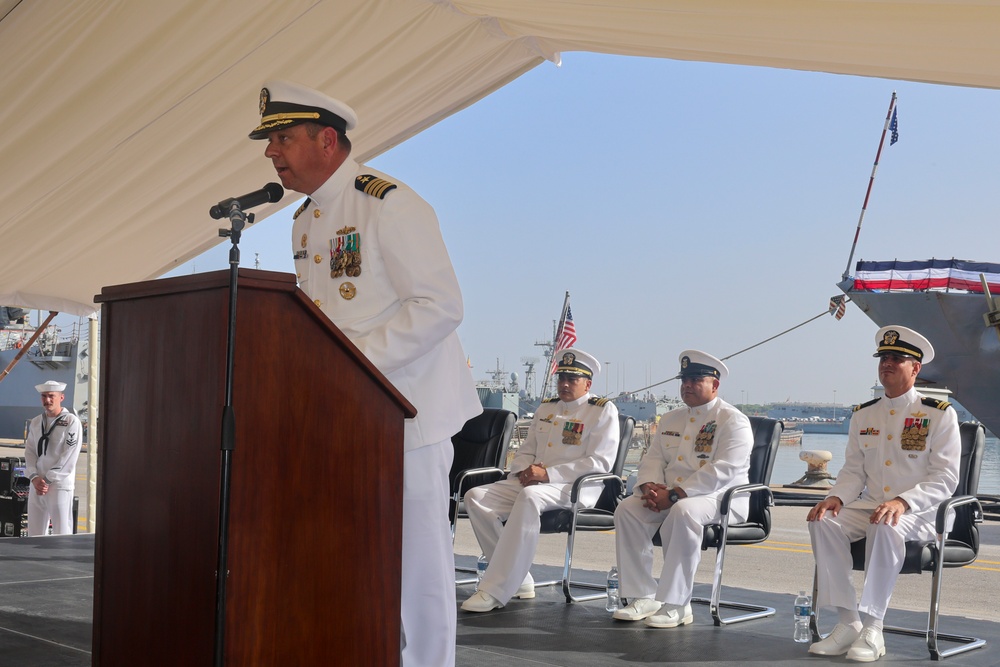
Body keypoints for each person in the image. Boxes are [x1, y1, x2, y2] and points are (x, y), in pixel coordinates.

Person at [249, 80, 482, 667]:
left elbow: (440, 305)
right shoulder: (303, 222)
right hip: (344, 416)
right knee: (356, 556)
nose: (271, 152)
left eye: (281, 138)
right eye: (269, 141)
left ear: (326, 140)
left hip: (409, 415)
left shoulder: (388, 202)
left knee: (418, 565)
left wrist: (351, 367)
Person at [806, 325, 960, 662]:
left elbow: (946, 478)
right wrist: (836, 497)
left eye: (897, 358)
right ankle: (848, 622)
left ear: (915, 368)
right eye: (883, 358)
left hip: (920, 511)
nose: (886, 363)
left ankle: (873, 629)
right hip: (870, 505)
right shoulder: (864, 415)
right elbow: (853, 472)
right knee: (823, 521)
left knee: (885, 524)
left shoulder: (938, 414)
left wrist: (903, 501)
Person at [460, 348, 619, 613]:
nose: (565, 384)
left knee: (530, 497)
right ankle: (519, 579)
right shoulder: (546, 408)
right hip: (533, 482)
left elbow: (599, 462)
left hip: (574, 488)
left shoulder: (601, 412)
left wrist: (547, 475)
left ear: (588, 384)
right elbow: (526, 450)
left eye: (573, 379)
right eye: (562, 378)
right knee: (476, 498)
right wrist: (523, 471)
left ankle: (495, 589)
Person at [612, 350, 752, 628]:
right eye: (684, 379)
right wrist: (649, 487)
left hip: (720, 498)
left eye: (696, 379)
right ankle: (643, 595)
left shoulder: (732, 421)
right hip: (671, 495)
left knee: (684, 512)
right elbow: (653, 458)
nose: (687, 384)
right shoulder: (670, 419)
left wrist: (675, 495)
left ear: (715, 384)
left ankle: (678, 604)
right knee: (627, 509)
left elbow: (723, 470)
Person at [24, 380, 83, 536]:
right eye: (44, 396)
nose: (47, 400)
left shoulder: (71, 422)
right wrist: (34, 476)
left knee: (62, 530)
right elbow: (30, 451)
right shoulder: (36, 422)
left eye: (51, 396)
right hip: (36, 483)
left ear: (61, 397)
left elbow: (69, 454)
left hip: (58, 484)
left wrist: (49, 479)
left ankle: (62, 560)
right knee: (34, 532)